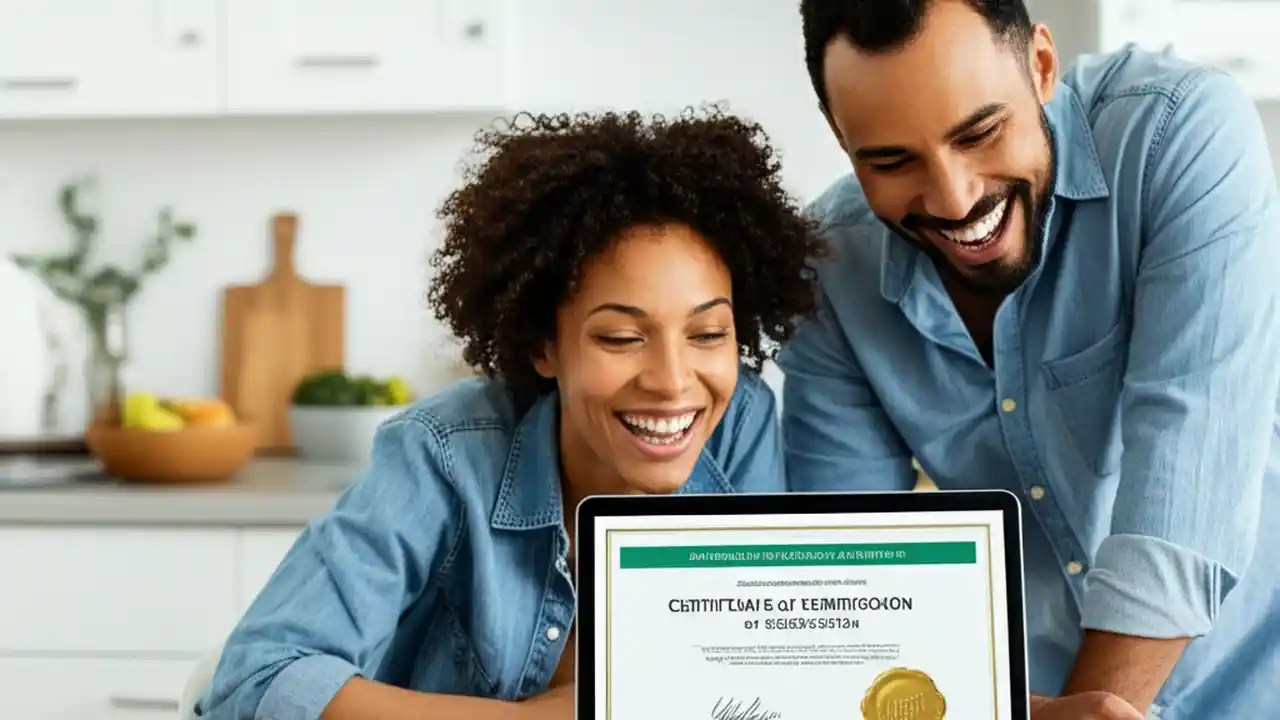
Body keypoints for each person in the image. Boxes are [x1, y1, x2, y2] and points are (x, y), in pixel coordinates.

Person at [195, 108, 825, 719]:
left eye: (708, 333)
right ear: (544, 345)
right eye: (621, 338)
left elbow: (752, 672)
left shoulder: (737, 423)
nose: (673, 381)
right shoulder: (442, 454)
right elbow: (258, 678)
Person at [780, 1, 1280, 718]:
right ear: (841, 135)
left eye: (980, 133)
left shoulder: (1179, 131)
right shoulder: (831, 269)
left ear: (1041, 66)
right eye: (892, 161)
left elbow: (1182, 499)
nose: (954, 198)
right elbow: (858, 584)